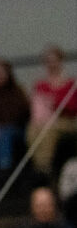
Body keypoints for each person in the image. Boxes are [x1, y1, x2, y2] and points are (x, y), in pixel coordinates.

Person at [32, 45, 77, 177]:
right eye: (48, 61)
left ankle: (44, 167)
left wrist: (54, 103)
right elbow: (37, 107)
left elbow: (73, 108)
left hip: (67, 121)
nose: (51, 64)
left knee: (48, 130)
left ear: (60, 61)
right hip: (44, 120)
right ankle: (40, 167)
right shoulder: (40, 84)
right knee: (32, 129)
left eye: (54, 60)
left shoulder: (70, 83)